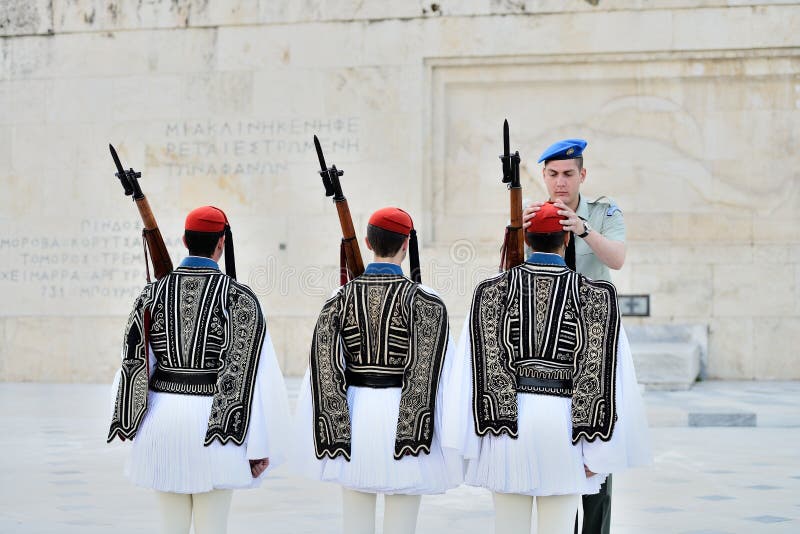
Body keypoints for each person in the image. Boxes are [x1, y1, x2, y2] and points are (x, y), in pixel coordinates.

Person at [442, 201, 650, 534]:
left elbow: (472, 372)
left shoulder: (489, 292)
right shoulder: (597, 296)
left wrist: (477, 439)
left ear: (525, 240)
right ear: (567, 241)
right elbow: (603, 377)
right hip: (565, 431)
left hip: (505, 431)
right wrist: (596, 450)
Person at [107, 205, 291, 534]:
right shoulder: (240, 298)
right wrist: (259, 445)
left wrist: (126, 418)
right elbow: (253, 376)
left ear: (184, 240)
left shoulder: (151, 295)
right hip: (218, 429)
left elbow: (134, 361)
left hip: (161, 422)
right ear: (222, 243)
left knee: (171, 527)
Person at [294, 207, 461, 534]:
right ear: (406, 245)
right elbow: (440, 377)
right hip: (408, 423)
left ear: (368, 242)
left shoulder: (339, 298)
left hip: (354, 419)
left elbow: (322, 370)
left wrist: (330, 429)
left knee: (355, 524)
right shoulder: (426, 300)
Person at [523, 139, 625, 533]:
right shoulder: (533, 213)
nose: (560, 182)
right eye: (552, 174)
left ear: (582, 175)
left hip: (594, 344)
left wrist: (582, 230)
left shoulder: (602, 211)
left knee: (596, 444)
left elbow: (617, 257)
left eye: (568, 174)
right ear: (544, 177)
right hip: (547, 348)